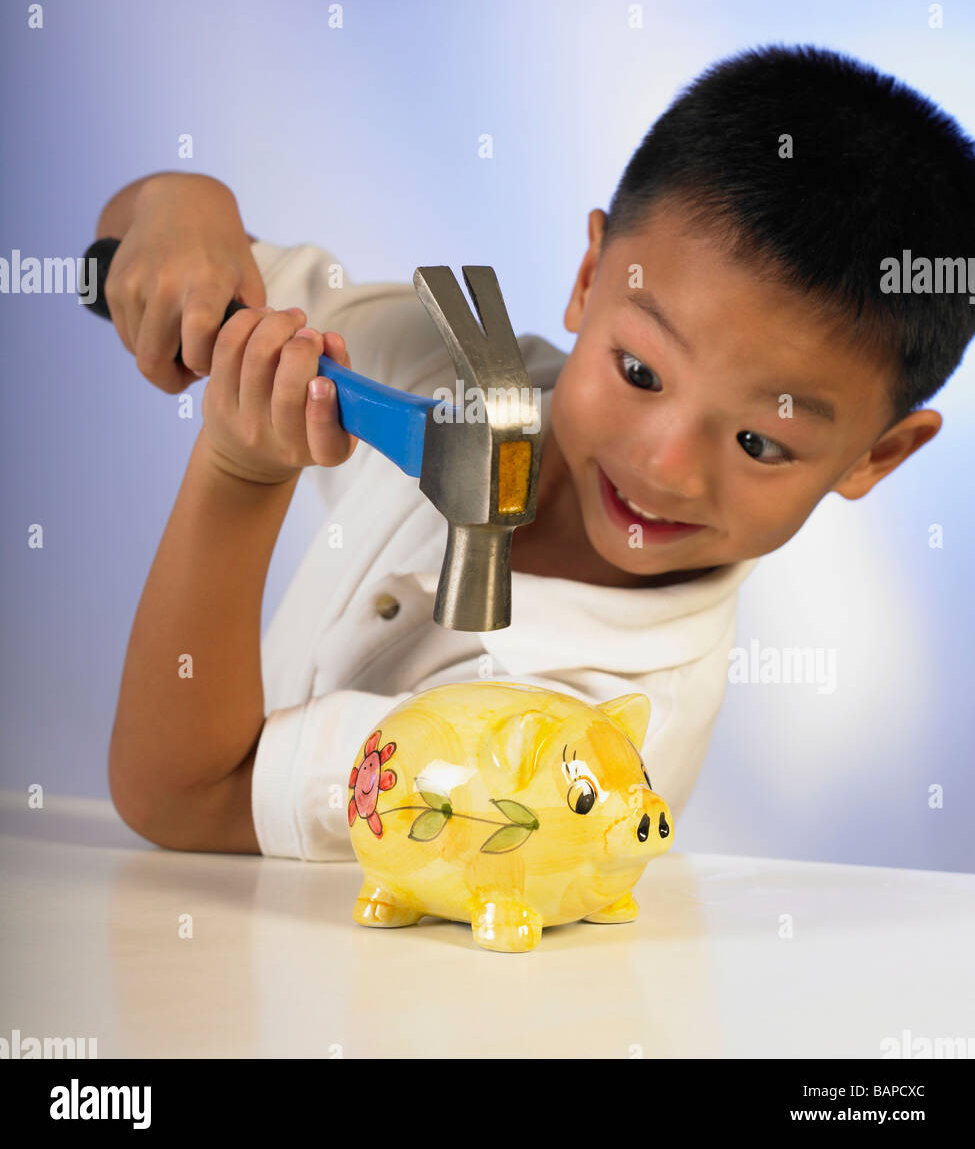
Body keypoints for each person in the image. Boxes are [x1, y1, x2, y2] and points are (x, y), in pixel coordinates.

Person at [99, 44, 975, 861]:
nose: (665, 465)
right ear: (591, 278)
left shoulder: (586, 743)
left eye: (758, 441)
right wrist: (182, 205)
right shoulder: (457, 374)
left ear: (877, 456)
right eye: (639, 370)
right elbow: (152, 262)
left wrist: (241, 473)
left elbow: (182, 800)